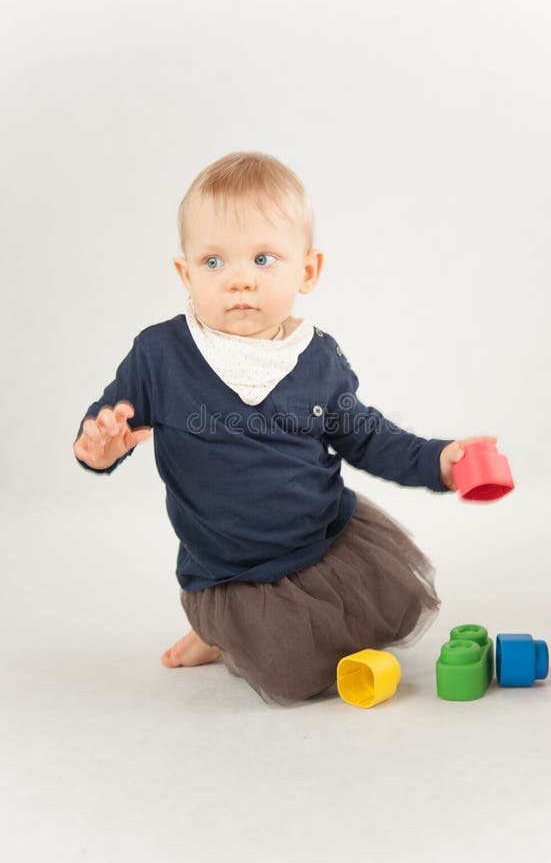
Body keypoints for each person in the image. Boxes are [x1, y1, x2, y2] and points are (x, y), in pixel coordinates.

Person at [73, 150, 498, 705]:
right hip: (230, 568)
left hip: (322, 542)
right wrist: (100, 448)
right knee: (295, 675)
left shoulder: (316, 357)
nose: (240, 280)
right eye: (214, 262)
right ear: (186, 273)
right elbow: (109, 423)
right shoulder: (161, 355)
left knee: (372, 621)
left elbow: (367, 436)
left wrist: (438, 459)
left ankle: (262, 628)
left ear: (308, 271)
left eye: (264, 259)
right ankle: (219, 629)